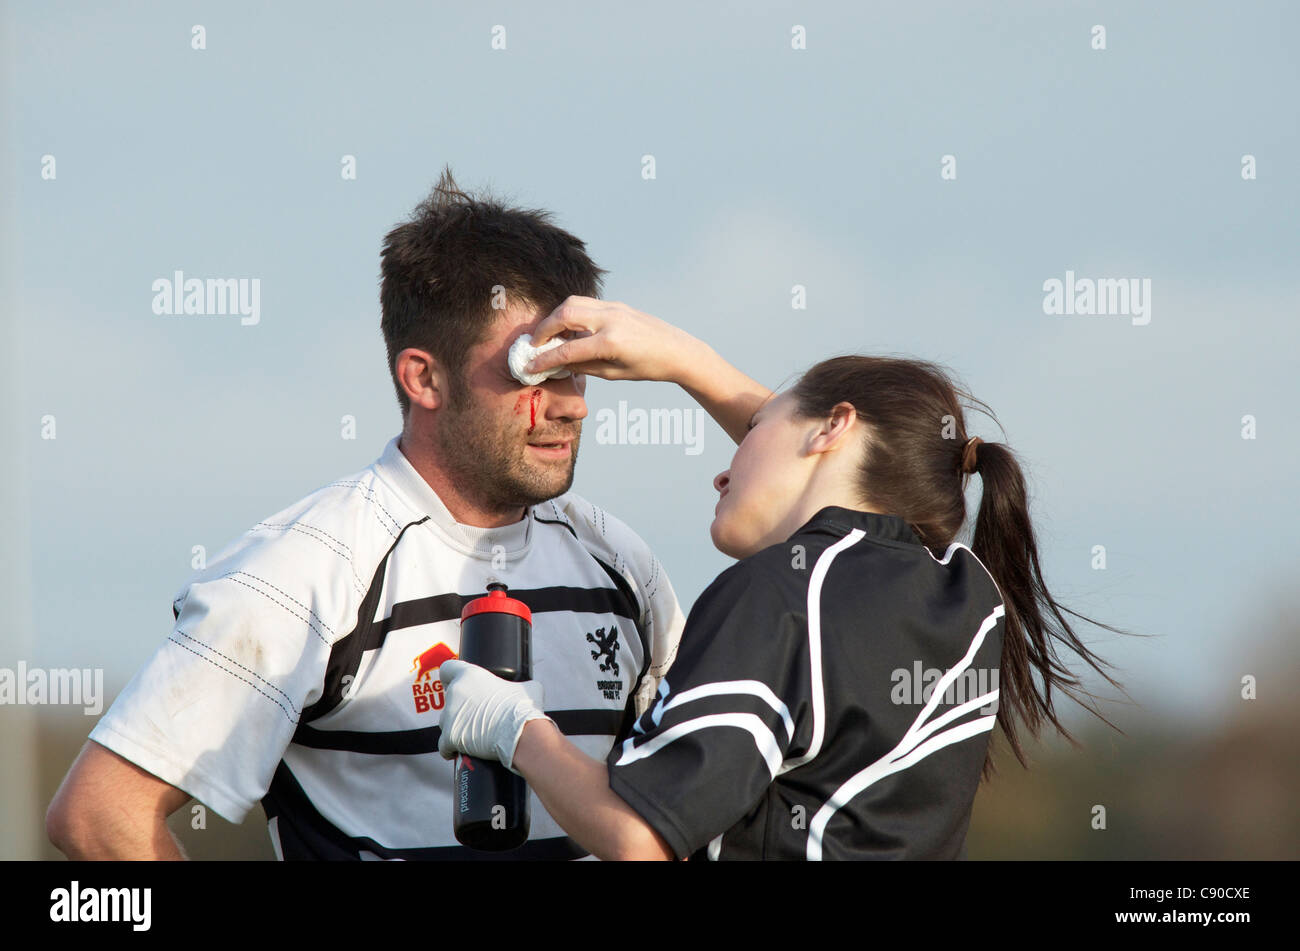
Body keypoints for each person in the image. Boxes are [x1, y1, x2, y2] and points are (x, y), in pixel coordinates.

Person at [44, 171, 716, 860]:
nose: (571, 402)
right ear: (423, 378)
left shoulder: (621, 561)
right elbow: (100, 812)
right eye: (532, 372)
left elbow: (680, 816)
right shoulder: (300, 570)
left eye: (579, 368)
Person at [435, 297, 1130, 860]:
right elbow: (871, 470)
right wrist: (687, 364)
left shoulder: (784, 594)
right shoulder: (967, 591)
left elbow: (640, 836)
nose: (724, 466)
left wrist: (512, 727)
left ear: (834, 427)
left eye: (757, 424)